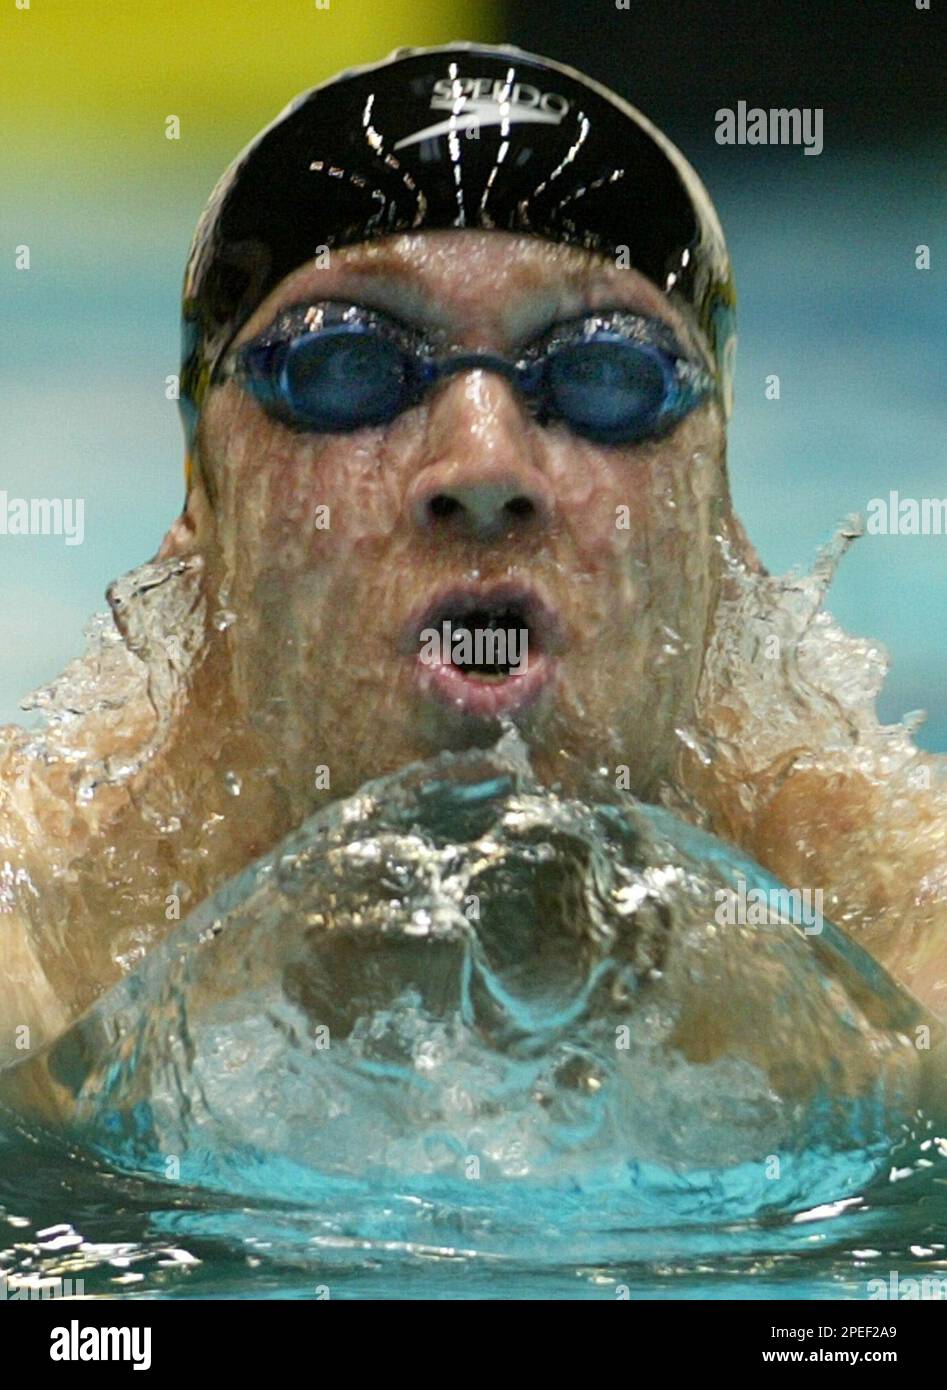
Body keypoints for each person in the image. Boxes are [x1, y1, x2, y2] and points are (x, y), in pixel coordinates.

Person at [1, 42, 943, 1069]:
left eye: (601, 373)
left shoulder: (892, 934)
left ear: (718, 521)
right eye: (347, 363)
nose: (485, 464)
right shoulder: (42, 931)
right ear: (202, 497)